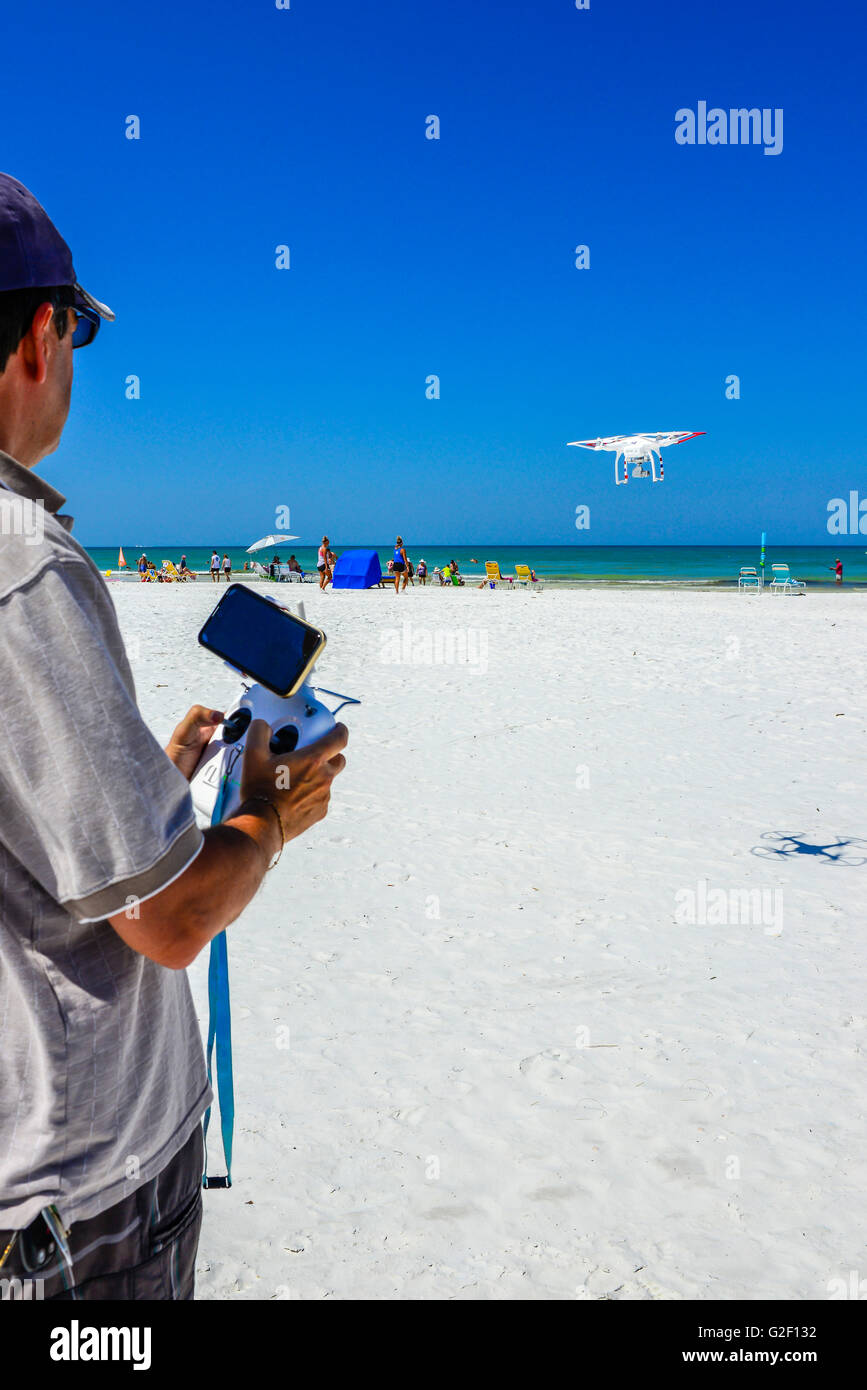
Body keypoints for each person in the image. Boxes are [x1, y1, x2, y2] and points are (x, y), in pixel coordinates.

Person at [0, 173, 349, 1301]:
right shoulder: (24, 570)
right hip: (76, 1182)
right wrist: (271, 813)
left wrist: (148, 772)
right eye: (83, 332)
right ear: (41, 336)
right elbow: (171, 916)